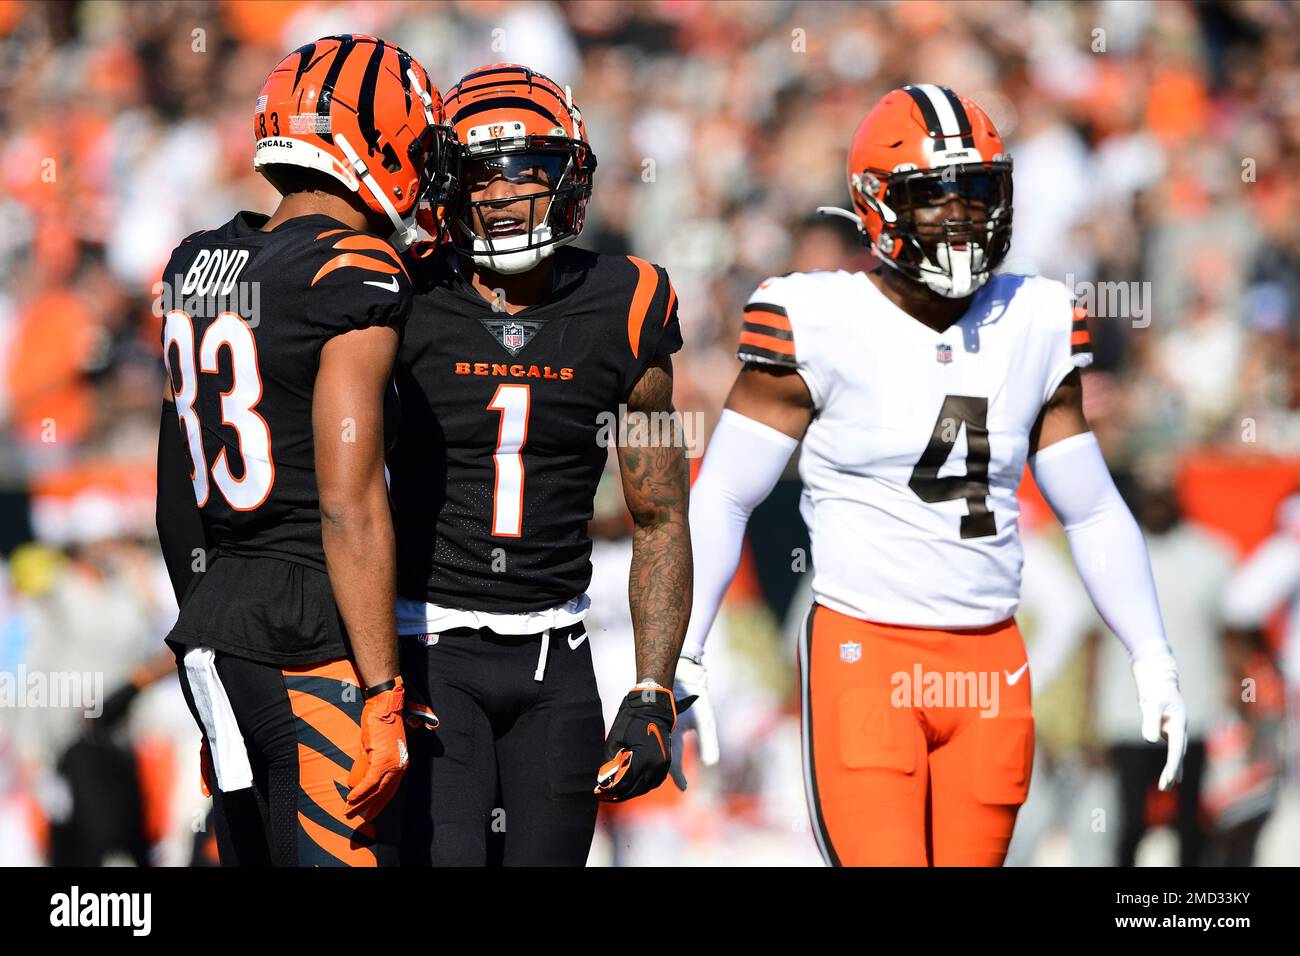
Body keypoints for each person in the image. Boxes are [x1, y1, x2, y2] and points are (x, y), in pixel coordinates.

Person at [678, 84, 1187, 866]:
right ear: (877, 205)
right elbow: (725, 492)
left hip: (992, 660)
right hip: (865, 651)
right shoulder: (815, 316)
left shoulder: (1038, 317)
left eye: (977, 192)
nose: (959, 216)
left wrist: (1151, 651)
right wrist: (685, 652)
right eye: (932, 197)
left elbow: (1088, 510)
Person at [155, 35, 448, 866]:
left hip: (216, 630)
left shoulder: (197, 263)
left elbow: (176, 498)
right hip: (310, 630)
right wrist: (386, 690)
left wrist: (207, 633)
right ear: (376, 143)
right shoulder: (350, 267)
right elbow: (348, 501)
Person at [389, 63, 693, 866]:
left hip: (557, 654)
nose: (501, 193)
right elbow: (336, 492)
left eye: (526, 169)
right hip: (425, 646)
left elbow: (660, 515)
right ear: (447, 187)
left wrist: (654, 687)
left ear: (571, 176)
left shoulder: (628, 301)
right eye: (481, 173)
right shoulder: (397, 295)